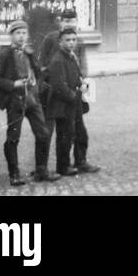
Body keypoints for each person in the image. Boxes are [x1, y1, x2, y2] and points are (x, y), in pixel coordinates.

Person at [0, 20, 56, 185]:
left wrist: (36, 85)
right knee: (13, 138)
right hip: (15, 101)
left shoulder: (30, 52)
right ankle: (14, 174)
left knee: (43, 134)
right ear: (11, 36)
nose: (21, 36)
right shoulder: (4, 55)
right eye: (18, 33)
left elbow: (39, 73)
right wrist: (13, 84)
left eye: (24, 33)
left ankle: (41, 170)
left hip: (32, 100)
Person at [44, 26, 99, 177]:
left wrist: (81, 87)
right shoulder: (58, 60)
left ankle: (81, 162)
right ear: (60, 42)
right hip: (64, 104)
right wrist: (73, 95)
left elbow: (77, 75)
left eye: (74, 40)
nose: (71, 43)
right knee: (65, 136)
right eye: (67, 40)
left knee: (81, 133)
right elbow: (58, 85)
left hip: (75, 102)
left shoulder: (71, 56)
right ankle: (63, 166)